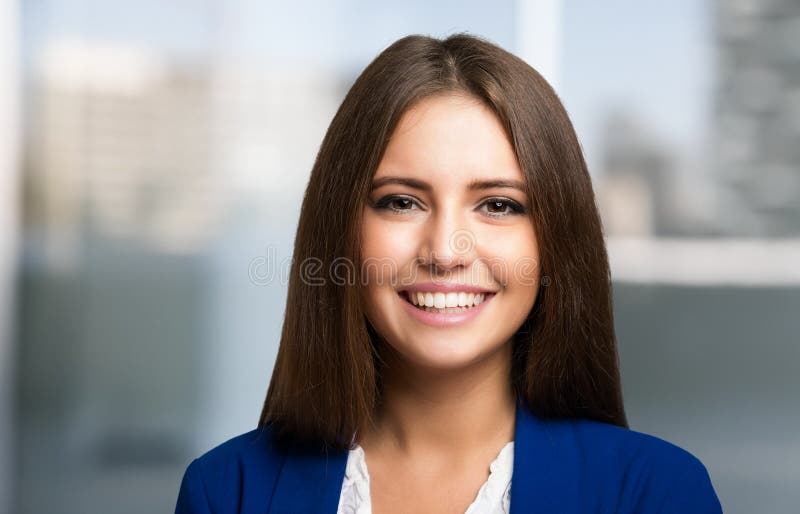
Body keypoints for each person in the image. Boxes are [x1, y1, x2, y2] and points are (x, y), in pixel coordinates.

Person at [174, 33, 723, 514]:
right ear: (340, 229)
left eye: (499, 205)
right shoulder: (225, 491)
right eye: (401, 202)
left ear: (555, 241)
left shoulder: (657, 493)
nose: (444, 251)